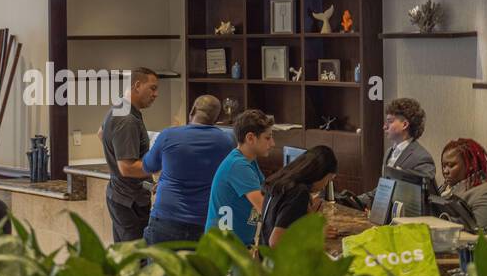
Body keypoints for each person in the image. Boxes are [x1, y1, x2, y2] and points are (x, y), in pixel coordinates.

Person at [140, 95, 234, 245]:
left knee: (160, 268)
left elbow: (148, 166)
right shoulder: (227, 142)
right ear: (217, 118)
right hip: (204, 223)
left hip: (166, 219)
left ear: (192, 111)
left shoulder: (169, 135)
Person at [100, 68, 159, 242]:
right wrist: (160, 166)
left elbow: (100, 133)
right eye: (153, 88)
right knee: (137, 261)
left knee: (125, 257)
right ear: (137, 85)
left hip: (121, 195)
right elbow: (127, 168)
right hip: (130, 201)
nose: (156, 94)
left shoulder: (120, 108)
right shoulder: (127, 119)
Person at [205, 109, 274, 247]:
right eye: (267, 137)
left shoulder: (249, 160)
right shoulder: (238, 165)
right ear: (250, 138)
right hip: (224, 249)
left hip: (235, 244)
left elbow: (266, 193)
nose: (272, 143)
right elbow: (265, 208)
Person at [355, 97, 436, 208]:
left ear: (404, 125)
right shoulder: (389, 152)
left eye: (389, 121)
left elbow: (424, 198)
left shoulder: (422, 158)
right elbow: (383, 189)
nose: (384, 126)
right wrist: (353, 200)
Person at [258, 144, 338, 247]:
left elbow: (281, 221)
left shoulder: (281, 182)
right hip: (278, 261)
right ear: (320, 173)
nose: (325, 185)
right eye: (328, 179)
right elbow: (276, 242)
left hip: (263, 256)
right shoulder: (298, 193)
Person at [439, 137, 487, 231]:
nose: (445, 171)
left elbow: (481, 235)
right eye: (443, 166)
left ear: (470, 164)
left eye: (451, 165)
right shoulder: (445, 188)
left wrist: (442, 222)